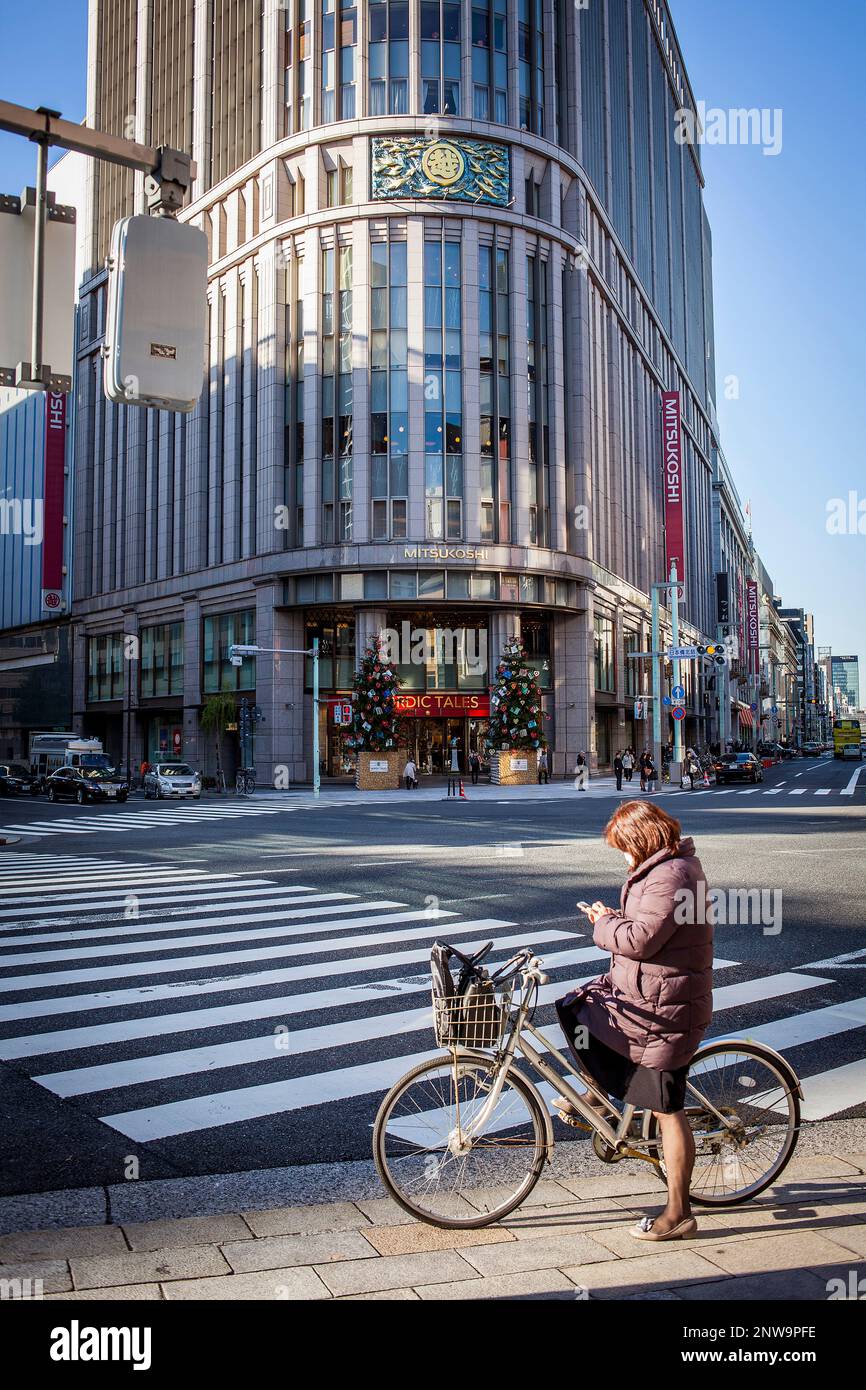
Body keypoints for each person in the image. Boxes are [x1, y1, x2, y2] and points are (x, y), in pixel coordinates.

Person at [554, 800, 713, 1240]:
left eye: (624, 846)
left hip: (667, 1010)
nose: (623, 855)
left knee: (667, 1110)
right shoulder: (659, 869)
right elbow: (649, 928)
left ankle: (678, 1213)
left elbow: (642, 940)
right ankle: (600, 1095)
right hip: (645, 996)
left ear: (641, 840)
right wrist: (611, 918)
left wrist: (604, 925)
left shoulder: (672, 875)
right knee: (579, 1009)